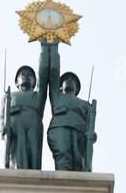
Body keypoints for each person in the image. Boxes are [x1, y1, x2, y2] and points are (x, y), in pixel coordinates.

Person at [40, 37, 96, 171]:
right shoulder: (57, 96)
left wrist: (92, 135)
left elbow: (90, 127)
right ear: (60, 86)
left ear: (77, 88)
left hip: (79, 131)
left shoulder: (84, 104)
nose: (70, 81)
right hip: (60, 129)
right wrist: (52, 48)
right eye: (66, 79)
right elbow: (53, 71)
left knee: (79, 163)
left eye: (73, 80)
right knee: (63, 159)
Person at [4, 62, 47, 170]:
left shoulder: (37, 95)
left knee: (34, 151)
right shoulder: (10, 96)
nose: (26, 76)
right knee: (19, 152)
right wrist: (4, 128)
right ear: (17, 82)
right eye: (22, 74)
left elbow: (43, 76)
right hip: (16, 123)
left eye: (30, 75)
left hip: (34, 122)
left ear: (34, 83)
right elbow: (3, 115)